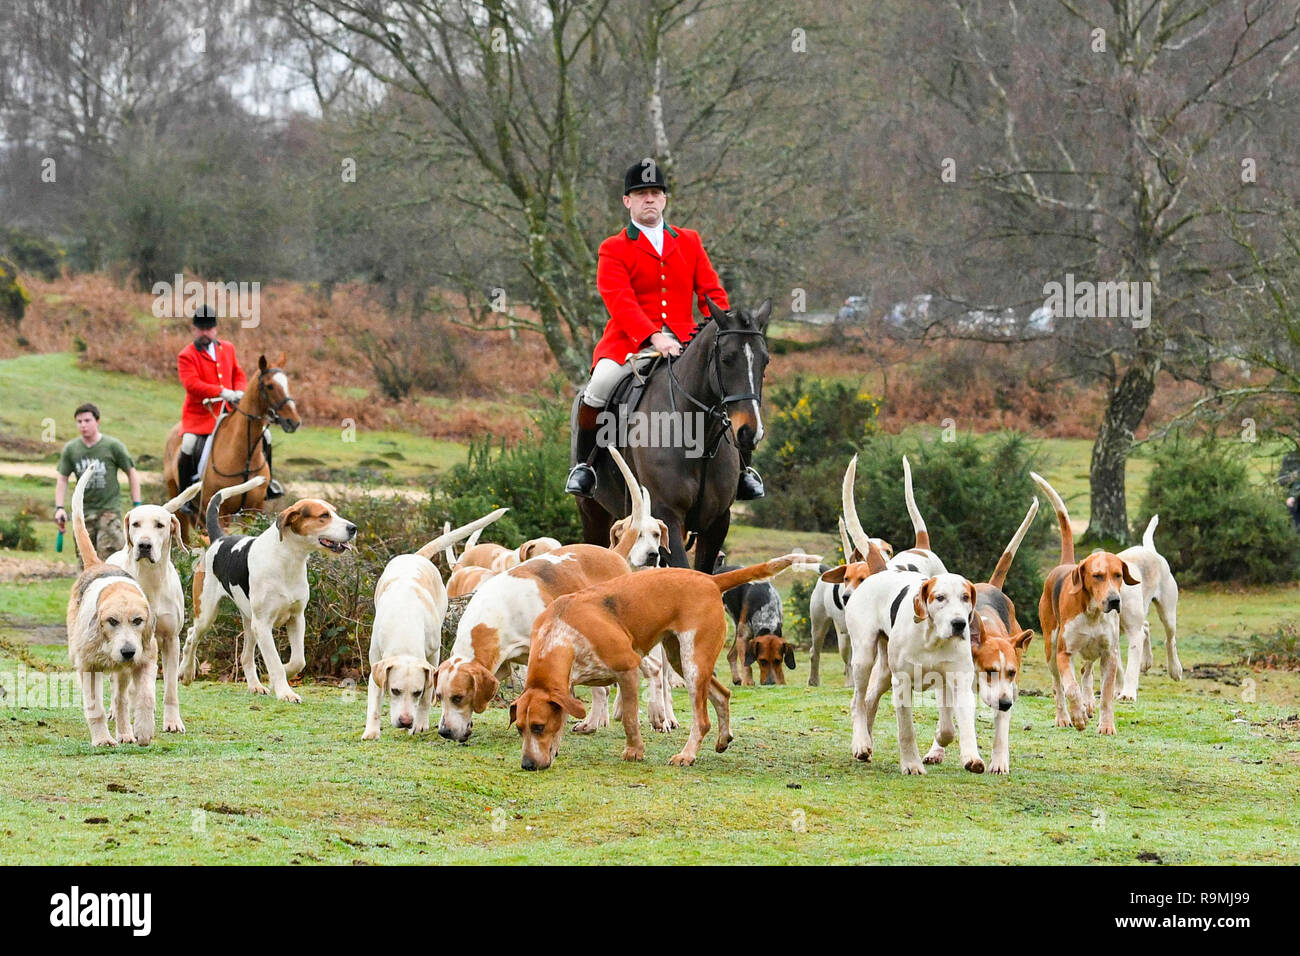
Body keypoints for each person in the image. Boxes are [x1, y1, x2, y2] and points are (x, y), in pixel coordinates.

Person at [565, 158, 764, 500]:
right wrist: (653, 336)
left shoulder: (689, 241)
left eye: (655, 192)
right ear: (627, 201)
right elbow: (619, 299)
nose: (649, 199)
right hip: (627, 344)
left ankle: (743, 469)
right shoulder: (613, 248)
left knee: (732, 385)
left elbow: (711, 292)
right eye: (641, 194)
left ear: (665, 199)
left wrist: (726, 323)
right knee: (597, 389)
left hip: (686, 342)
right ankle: (586, 466)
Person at [175, 304, 283, 515]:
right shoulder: (186, 355)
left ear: (215, 329)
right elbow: (192, 384)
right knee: (188, 445)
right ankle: (186, 494)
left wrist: (240, 393)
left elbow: (238, 374)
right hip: (201, 416)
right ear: (194, 329)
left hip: (232, 412)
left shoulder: (228, 348)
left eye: (209, 328)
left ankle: (267, 484)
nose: (205, 333)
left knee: (266, 435)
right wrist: (222, 391)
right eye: (201, 329)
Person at [53, 403, 141, 560]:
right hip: (82, 513)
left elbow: (132, 473)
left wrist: (137, 505)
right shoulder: (71, 449)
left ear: (97, 421)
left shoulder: (112, 446)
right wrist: (59, 508)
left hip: (108, 511)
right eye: (79, 422)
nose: (83, 425)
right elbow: (62, 479)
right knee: (86, 561)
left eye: (87, 420)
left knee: (111, 558)